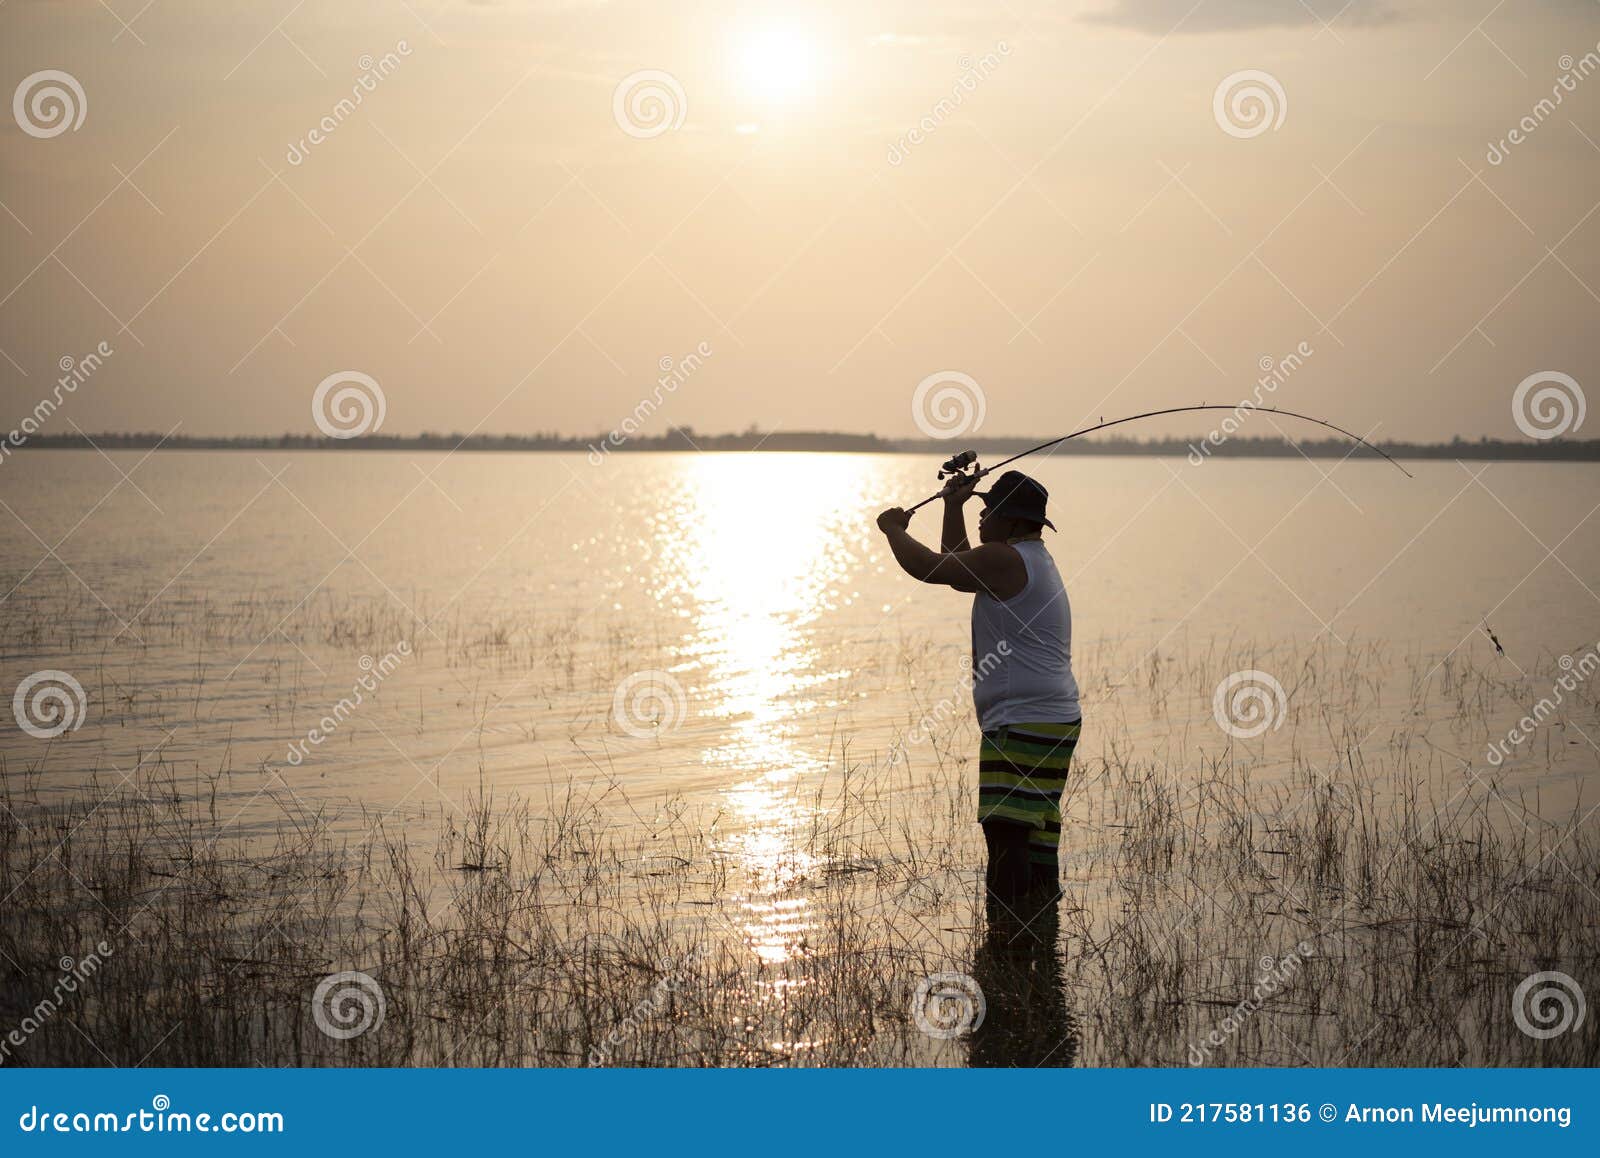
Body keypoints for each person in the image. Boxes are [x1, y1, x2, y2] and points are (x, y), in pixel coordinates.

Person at [876, 469, 1081, 906]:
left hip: (1023, 722)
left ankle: (1006, 939)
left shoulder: (1006, 559)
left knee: (1005, 834)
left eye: (988, 510)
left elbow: (931, 568)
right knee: (1035, 836)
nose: (982, 515)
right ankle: (1039, 942)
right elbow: (958, 571)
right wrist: (954, 505)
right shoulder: (1027, 558)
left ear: (1010, 523)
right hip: (1052, 718)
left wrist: (892, 530)